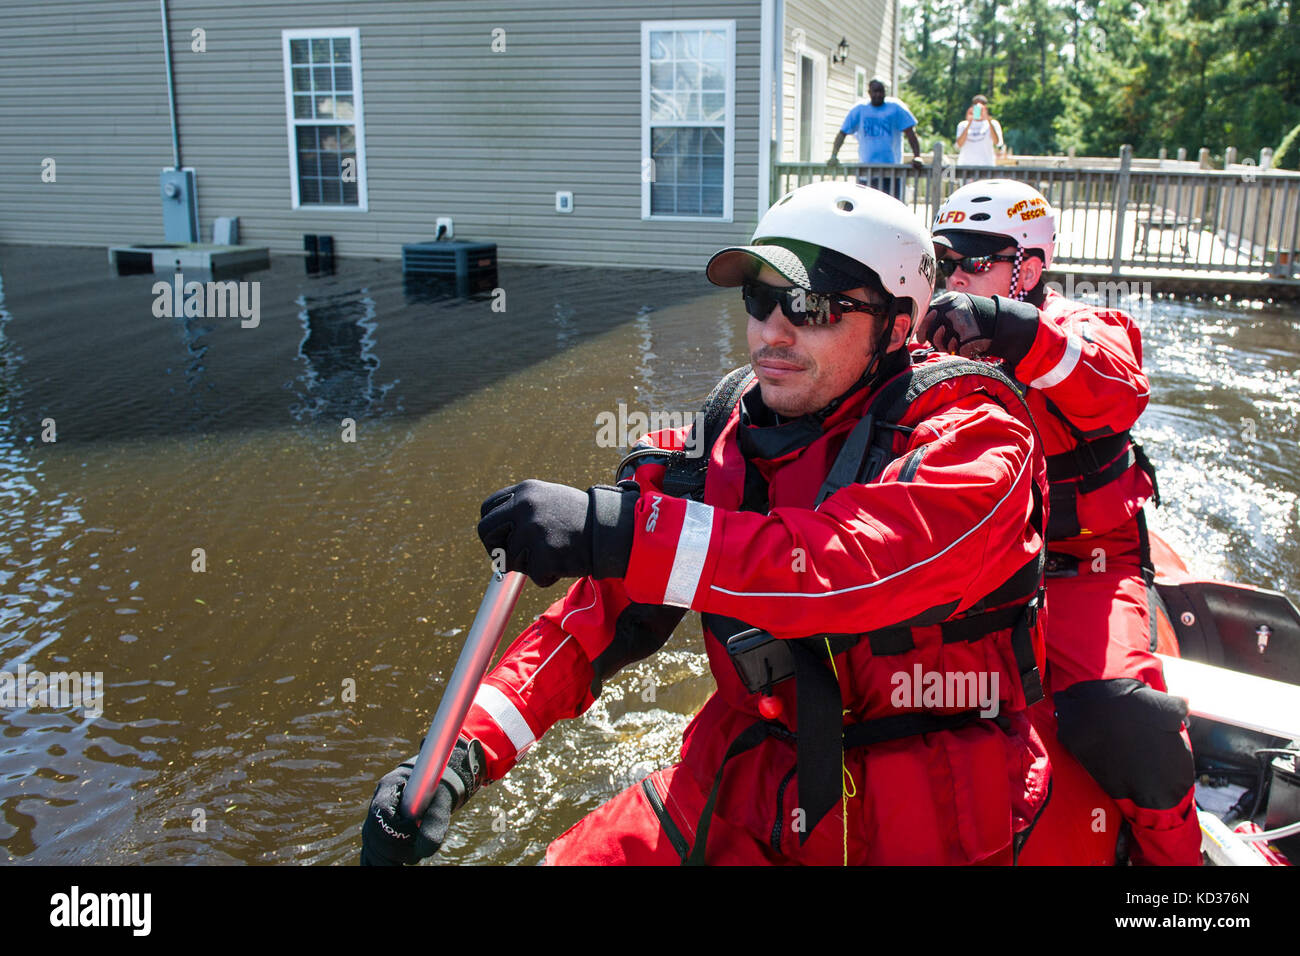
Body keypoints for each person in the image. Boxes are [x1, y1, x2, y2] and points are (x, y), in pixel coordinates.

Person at [360, 181, 1053, 866]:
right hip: (749, 779)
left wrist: (617, 531)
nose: (773, 332)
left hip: (918, 811)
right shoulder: (726, 433)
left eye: (811, 306)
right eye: (761, 299)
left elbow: (839, 569)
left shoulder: (976, 441)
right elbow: (593, 626)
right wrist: (459, 757)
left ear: (896, 326)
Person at [917, 179, 1202, 865]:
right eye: (943, 259)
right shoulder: (930, 351)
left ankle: (1179, 863)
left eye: (973, 260)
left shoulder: (1085, 330)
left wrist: (1013, 329)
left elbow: (1117, 388)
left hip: (1085, 567)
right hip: (976, 572)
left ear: (1029, 268)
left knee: (1121, 714)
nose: (954, 276)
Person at [829, 78, 923, 200]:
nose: (878, 94)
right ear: (869, 92)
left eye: (881, 91)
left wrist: (917, 156)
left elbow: (911, 134)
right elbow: (842, 133)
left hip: (891, 172)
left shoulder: (896, 108)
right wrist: (834, 156)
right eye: (875, 91)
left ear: (885, 92)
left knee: (891, 208)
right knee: (866, 208)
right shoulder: (860, 109)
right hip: (867, 172)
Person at [955, 96, 1004, 168]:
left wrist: (988, 120)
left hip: (986, 166)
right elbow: (959, 144)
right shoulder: (963, 124)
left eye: (982, 105)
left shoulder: (993, 123)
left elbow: (997, 142)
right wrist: (969, 122)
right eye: (975, 105)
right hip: (965, 166)